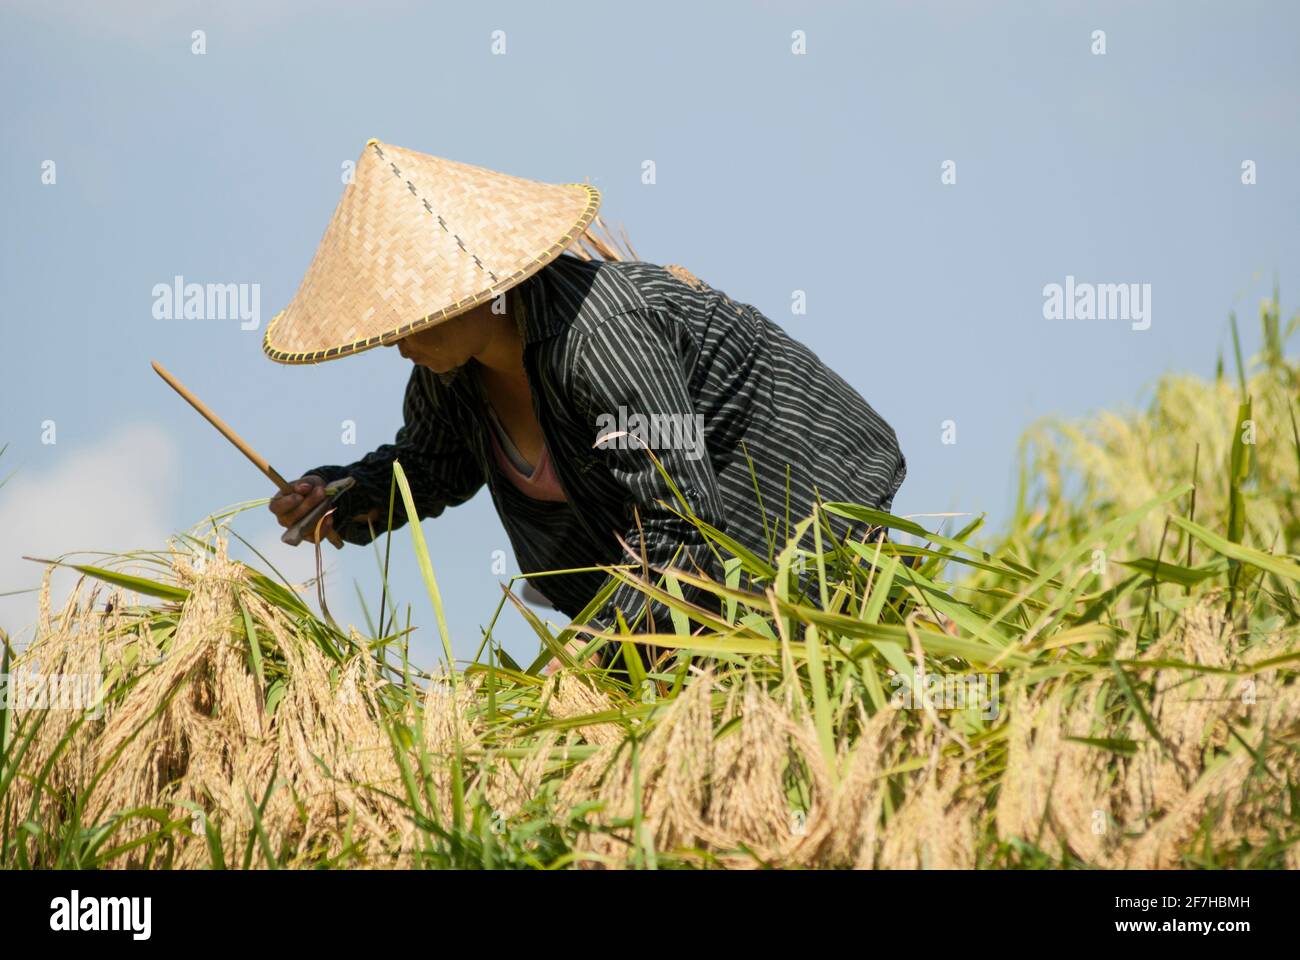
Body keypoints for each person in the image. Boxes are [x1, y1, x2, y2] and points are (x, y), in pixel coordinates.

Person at [264, 140, 906, 672]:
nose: (399, 344)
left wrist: (575, 659)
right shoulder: (448, 371)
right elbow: (429, 467)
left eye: (409, 320)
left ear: (475, 290)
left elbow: (681, 526)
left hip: (797, 524)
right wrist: (338, 498)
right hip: (661, 584)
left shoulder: (599, 338)